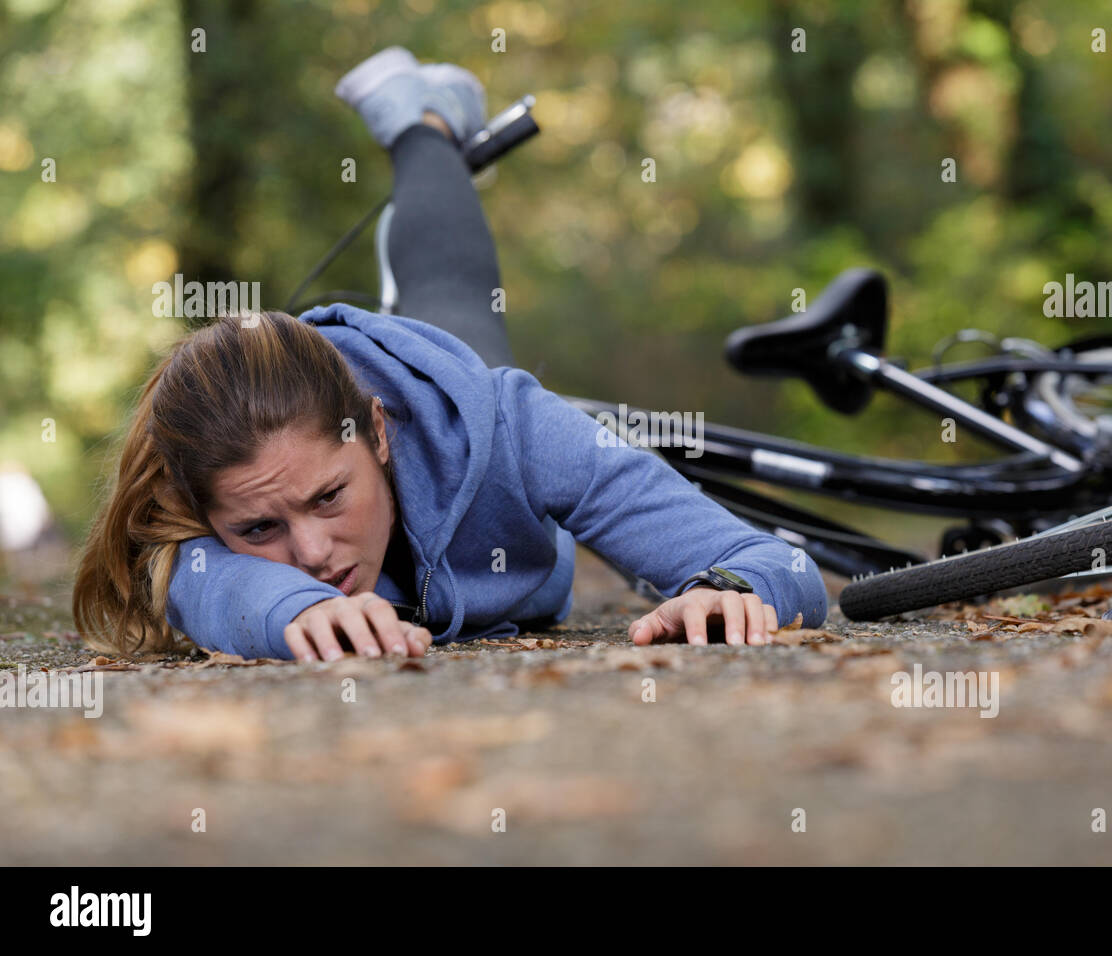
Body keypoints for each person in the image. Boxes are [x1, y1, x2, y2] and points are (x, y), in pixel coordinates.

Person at [72, 48, 828, 662]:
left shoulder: (504, 424)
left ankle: (422, 120)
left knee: (453, 292)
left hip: (444, 374)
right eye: (258, 530)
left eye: (330, 497)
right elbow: (192, 582)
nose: (313, 553)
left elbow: (781, 566)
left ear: (377, 430)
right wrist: (289, 612)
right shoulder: (202, 501)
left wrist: (729, 588)